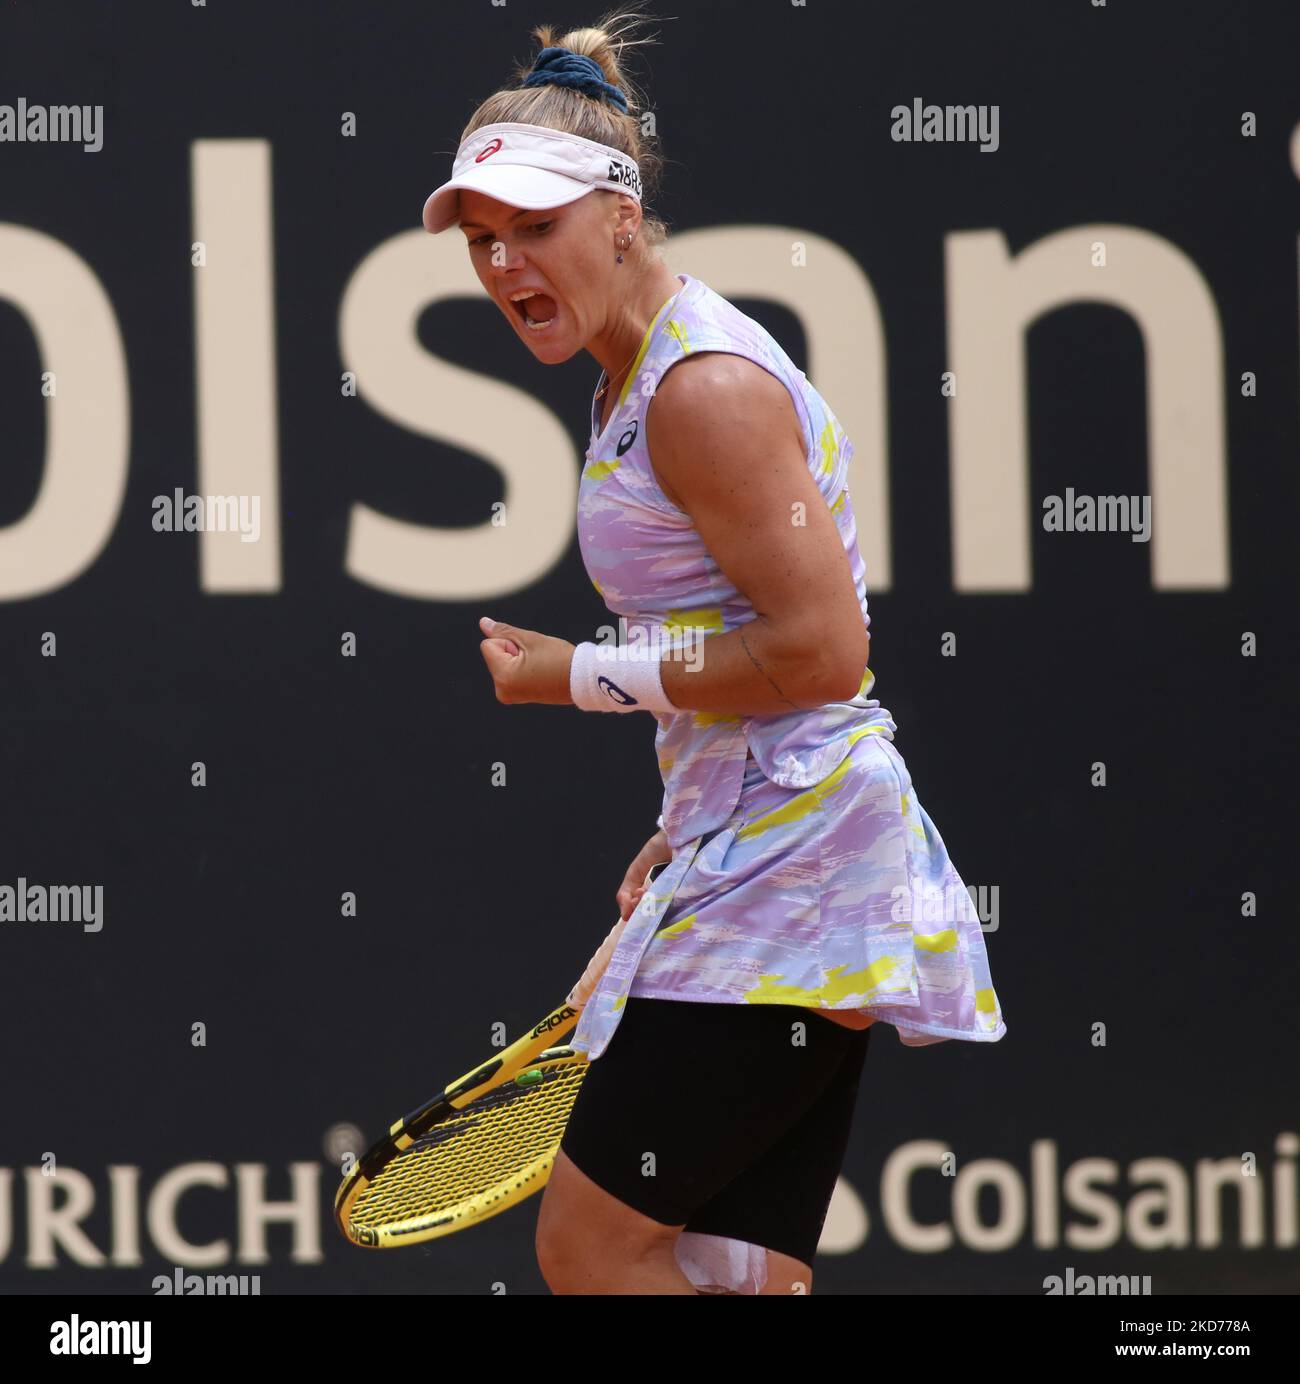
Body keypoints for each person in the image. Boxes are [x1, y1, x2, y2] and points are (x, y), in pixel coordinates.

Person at [421, 9, 1007, 1295]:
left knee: (589, 1252)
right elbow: (752, 653)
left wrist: (568, 676)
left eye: (535, 226)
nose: (506, 262)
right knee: (734, 1271)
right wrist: (697, 813)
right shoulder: (635, 374)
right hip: (771, 846)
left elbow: (822, 655)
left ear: (621, 216)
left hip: (803, 868)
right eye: (483, 239)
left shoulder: (702, 391)